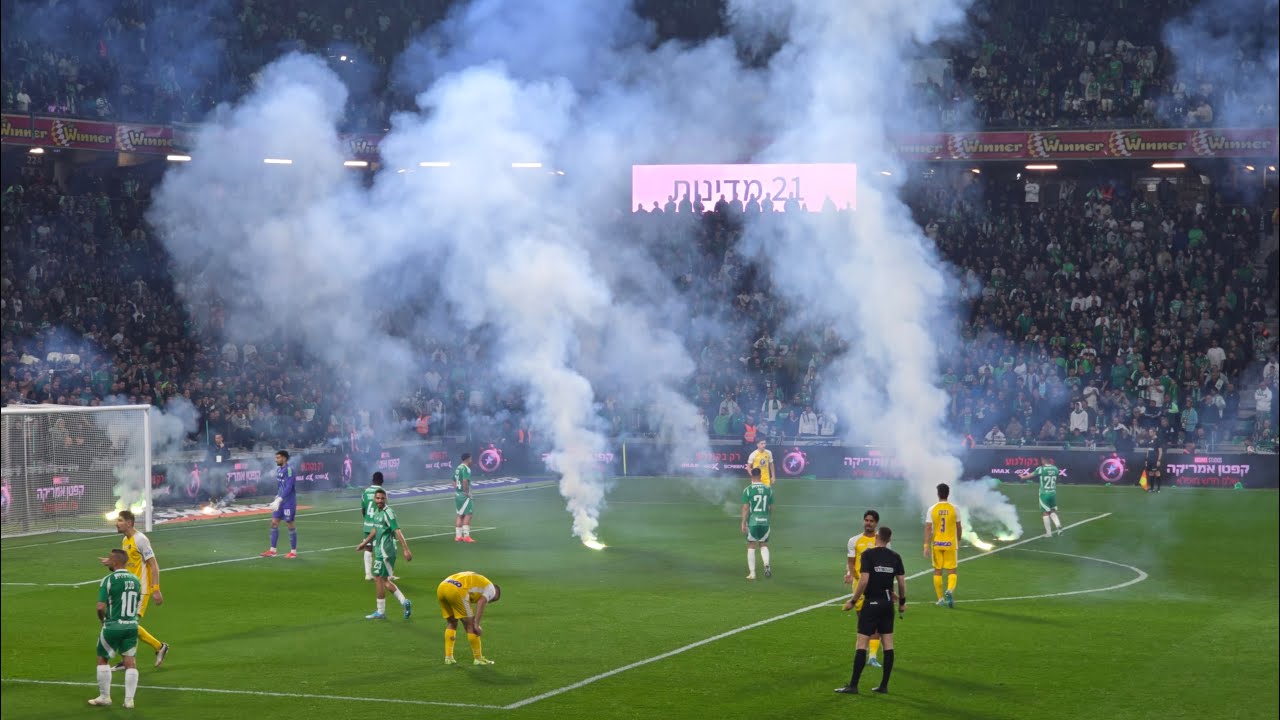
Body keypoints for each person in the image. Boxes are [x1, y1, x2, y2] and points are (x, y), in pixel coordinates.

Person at [836, 526, 906, 695]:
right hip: (888, 605)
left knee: (861, 643)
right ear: (889, 539)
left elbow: (864, 580)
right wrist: (902, 602)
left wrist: (853, 601)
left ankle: (853, 685)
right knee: (888, 644)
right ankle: (883, 686)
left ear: (876, 538)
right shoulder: (895, 557)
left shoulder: (868, 555)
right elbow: (902, 583)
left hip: (871, 604)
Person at [99, 510, 168, 669]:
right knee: (125, 623)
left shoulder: (141, 540)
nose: (117, 523)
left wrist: (155, 589)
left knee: (128, 624)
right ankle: (131, 658)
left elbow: (153, 565)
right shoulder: (125, 540)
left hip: (141, 589)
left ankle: (159, 647)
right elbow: (125, 565)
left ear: (129, 523)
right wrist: (111, 564)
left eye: (120, 520)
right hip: (128, 589)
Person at [88, 549, 142, 708]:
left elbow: (100, 607)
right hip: (131, 626)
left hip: (113, 626)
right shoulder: (136, 579)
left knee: (102, 659)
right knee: (130, 663)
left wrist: (102, 620)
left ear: (116, 562)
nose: (107, 560)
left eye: (110, 559)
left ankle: (105, 697)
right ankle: (129, 700)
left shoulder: (108, 580)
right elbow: (138, 601)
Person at [356, 488, 413, 619]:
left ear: (386, 499)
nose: (380, 501)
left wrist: (406, 549)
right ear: (374, 499)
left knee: (378, 578)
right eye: (378, 498)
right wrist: (364, 544)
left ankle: (381, 612)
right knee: (384, 580)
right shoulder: (377, 512)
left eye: (382, 498)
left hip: (385, 551)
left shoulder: (388, 513)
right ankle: (404, 602)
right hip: (381, 550)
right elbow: (375, 530)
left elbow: (397, 531)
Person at [845, 510, 883, 667]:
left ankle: (872, 657)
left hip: (877, 587)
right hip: (860, 586)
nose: (868, 523)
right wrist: (850, 574)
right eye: (866, 520)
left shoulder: (881, 541)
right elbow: (851, 562)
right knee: (863, 622)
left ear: (876, 523)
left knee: (877, 622)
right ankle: (861, 650)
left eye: (871, 521)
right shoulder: (854, 541)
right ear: (863, 522)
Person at [436, 571, 501, 665]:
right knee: (471, 626)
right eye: (491, 600)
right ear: (495, 595)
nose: (489, 601)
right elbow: (481, 602)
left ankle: (449, 657)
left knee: (452, 622)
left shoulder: (480, 581)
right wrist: (476, 624)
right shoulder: (492, 590)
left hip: (442, 587)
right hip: (458, 591)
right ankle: (478, 659)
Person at [924, 483, 961, 608]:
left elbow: (928, 528)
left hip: (937, 544)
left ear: (938, 494)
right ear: (948, 494)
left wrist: (926, 546)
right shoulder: (954, 509)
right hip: (951, 544)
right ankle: (949, 590)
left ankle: (940, 599)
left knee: (937, 571)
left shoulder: (932, 509)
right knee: (952, 571)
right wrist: (958, 540)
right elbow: (959, 527)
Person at [262, 450, 298, 558]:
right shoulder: (279, 469)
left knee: (289, 523)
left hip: (288, 502)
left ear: (284, 458)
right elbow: (281, 486)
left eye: (278, 457)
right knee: (274, 523)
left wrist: (280, 498)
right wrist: (277, 497)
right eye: (276, 457)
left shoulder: (289, 470)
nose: (276, 459)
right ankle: (272, 550)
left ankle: (293, 552)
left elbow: (289, 486)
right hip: (280, 501)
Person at [741, 467, 774, 580]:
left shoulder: (748, 490)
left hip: (753, 521)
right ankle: (766, 564)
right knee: (763, 544)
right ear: (760, 476)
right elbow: (771, 508)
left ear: (752, 476)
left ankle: (752, 573)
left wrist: (743, 523)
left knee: (751, 545)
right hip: (765, 520)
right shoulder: (768, 489)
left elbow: (745, 508)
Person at [1019, 456, 1064, 534]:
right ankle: (1059, 527)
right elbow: (1058, 479)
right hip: (1052, 492)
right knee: (1052, 511)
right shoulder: (1055, 468)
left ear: (1043, 461)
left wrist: (1023, 477)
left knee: (1045, 513)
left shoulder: (1041, 468)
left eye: (1041, 460)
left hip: (1044, 493)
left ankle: (1048, 533)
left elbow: (1031, 475)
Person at [361, 472, 385, 581]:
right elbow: (383, 509)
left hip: (367, 524)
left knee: (368, 548)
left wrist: (366, 519)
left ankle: (368, 574)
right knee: (381, 549)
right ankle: (384, 574)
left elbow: (363, 509)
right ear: (382, 481)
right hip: (378, 524)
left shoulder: (365, 492)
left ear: (372, 480)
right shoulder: (382, 492)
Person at [454, 453, 475, 543]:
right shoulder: (466, 469)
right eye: (471, 459)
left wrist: (458, 491)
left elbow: (453, 481)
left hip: (458, 494)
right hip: (464, 495)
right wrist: (466, 492)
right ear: (468, 459)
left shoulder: (458, 468)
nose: (471, 461)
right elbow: (465, 481)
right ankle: (466, 536)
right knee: (468, 514)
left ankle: (458, 536)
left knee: (460, 515)